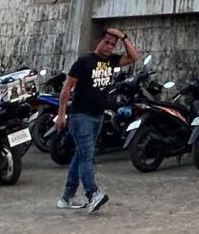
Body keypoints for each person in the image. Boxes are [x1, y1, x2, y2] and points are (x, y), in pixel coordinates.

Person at [55, 25, 139, 212]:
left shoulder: (112, 61)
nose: (109, 47)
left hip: (97, 116)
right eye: (106, 43)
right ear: (99, 42)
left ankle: (67, 197)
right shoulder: (84, 61)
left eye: (112, 45)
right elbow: (67, 88)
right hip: (80, 116)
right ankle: (92, 194)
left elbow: (134, 57)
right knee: (86, 155)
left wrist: (123, 37)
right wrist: (61, 114)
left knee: (80, 155)